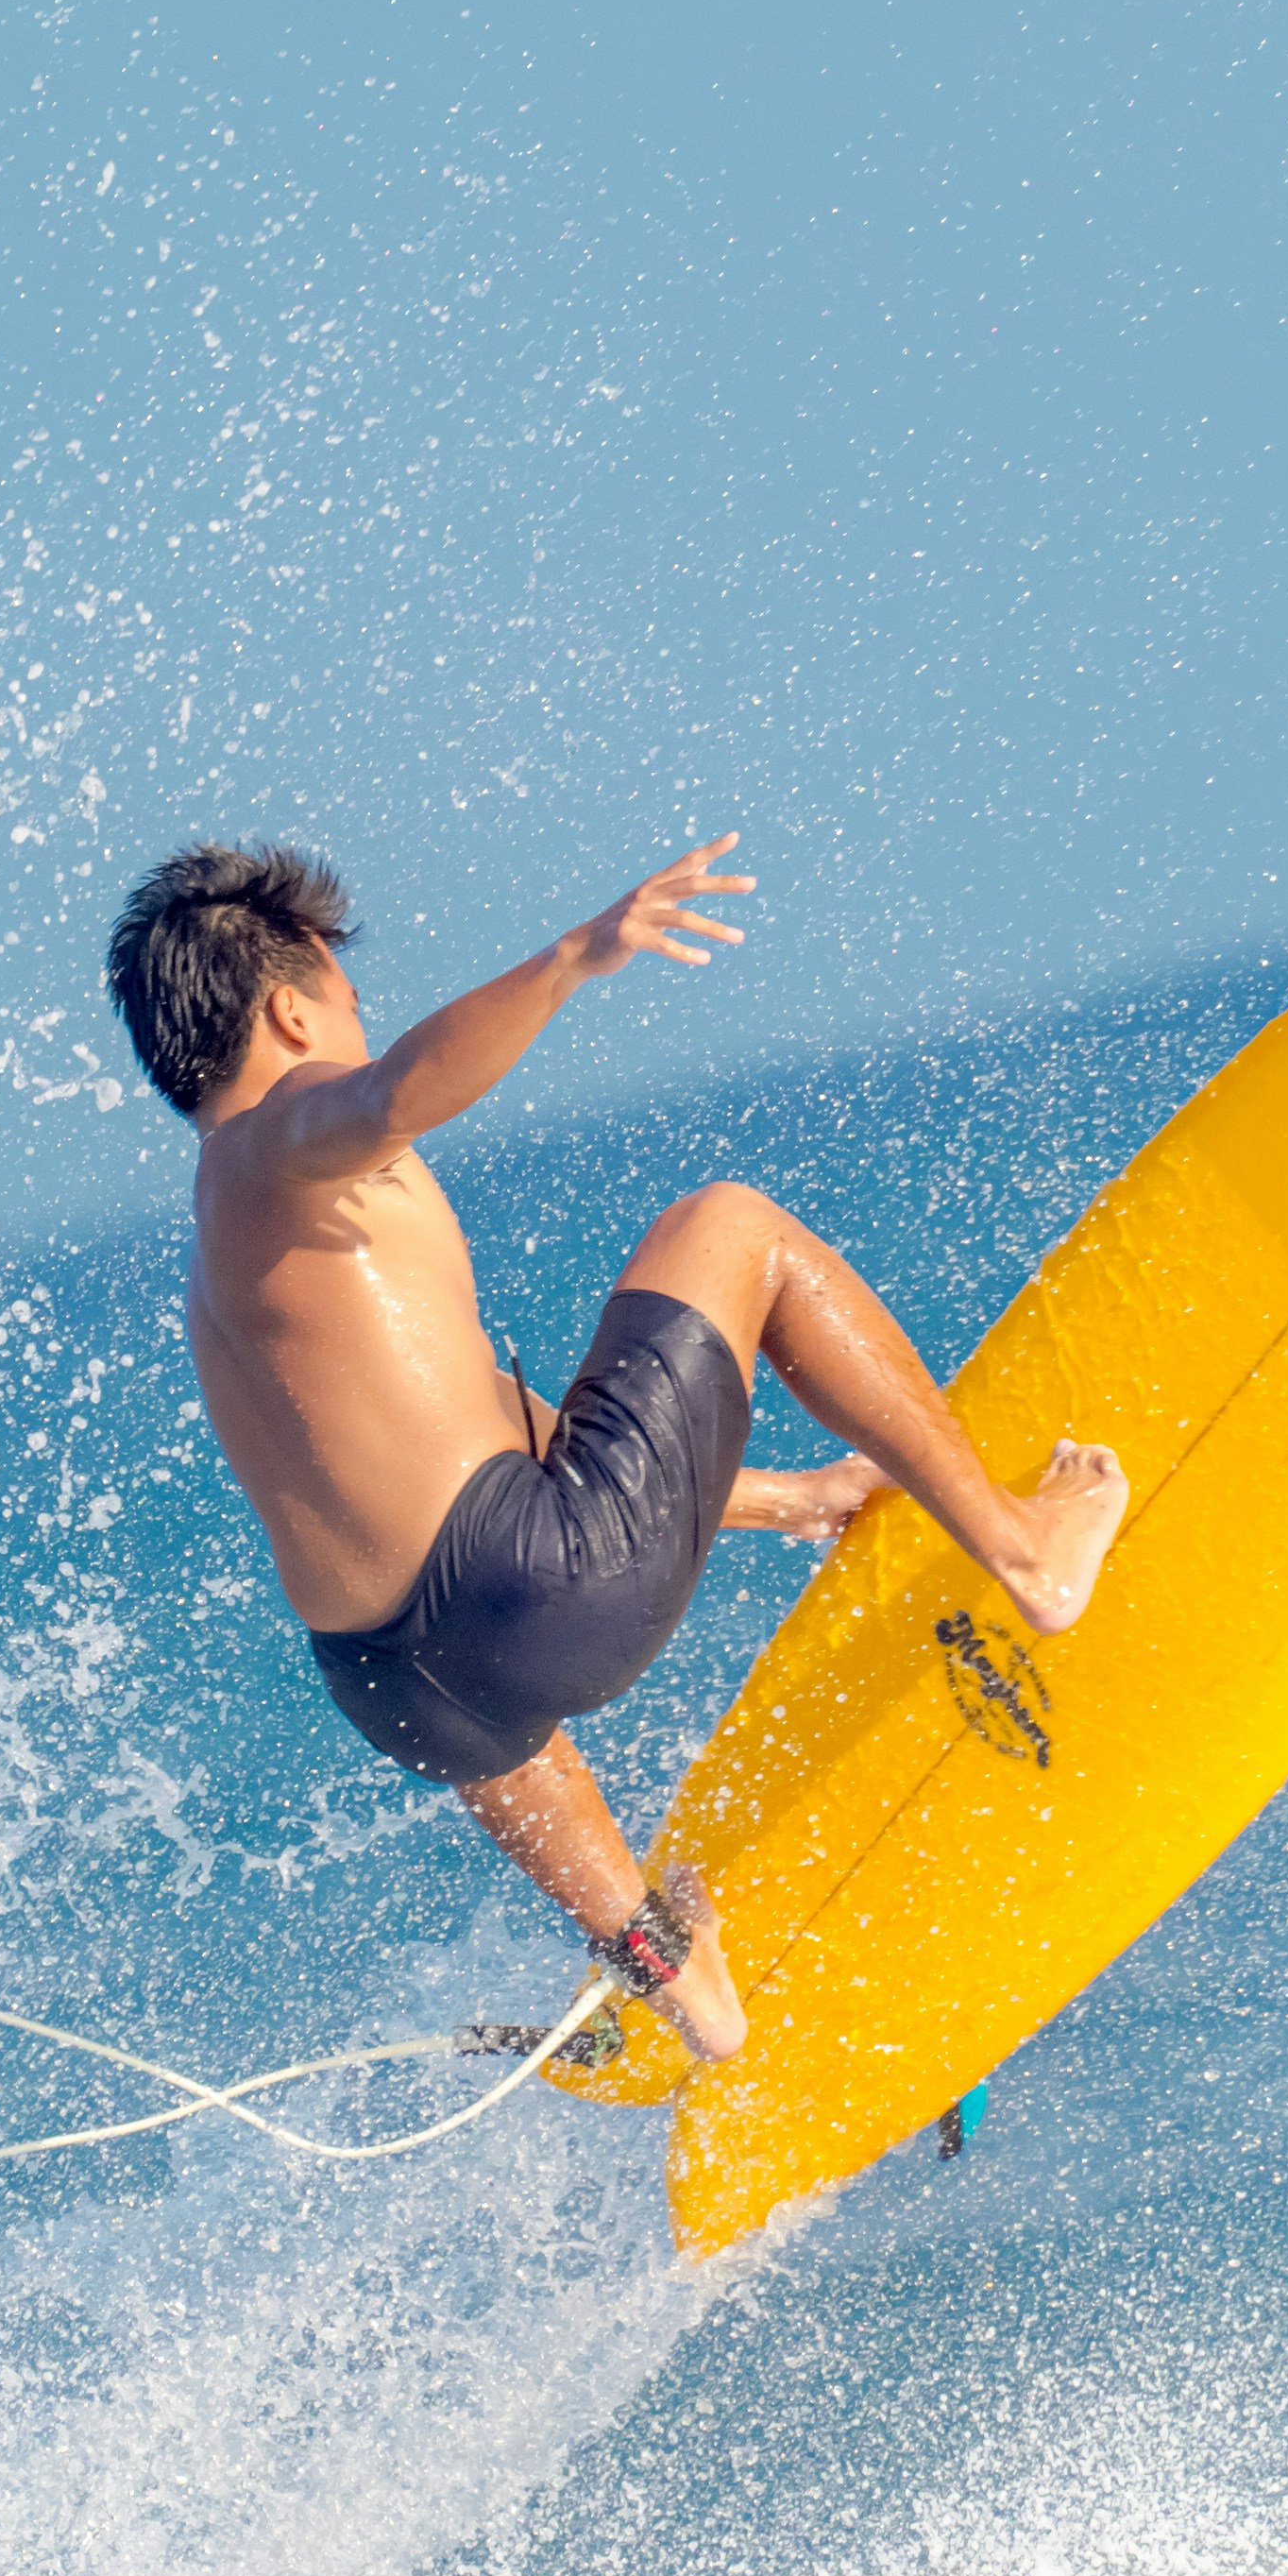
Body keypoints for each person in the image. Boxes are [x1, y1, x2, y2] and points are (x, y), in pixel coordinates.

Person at [105, 832, 1128, 2060]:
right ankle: (1025, 1552)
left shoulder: (232, 1261)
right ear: (288, 1007)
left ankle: (675, 1970)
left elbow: (486, 1428)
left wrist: (785, 1498)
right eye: (351, 1000)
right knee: (734, 1228)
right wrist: (573, 959)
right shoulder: (285, 1132)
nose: (364, 1029)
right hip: (516, 1591)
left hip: (393, 1685)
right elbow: (393, 1091)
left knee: (506, 1717)